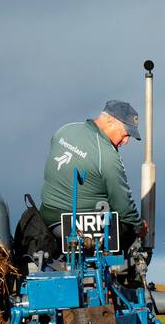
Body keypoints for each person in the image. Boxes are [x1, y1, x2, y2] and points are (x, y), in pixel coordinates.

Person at [24, 101, 148, 266]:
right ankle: (126, 277)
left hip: (49, 219)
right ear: (110, 121)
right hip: (86, 225)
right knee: (130, 229)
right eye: (125, 134)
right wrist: (139, 227)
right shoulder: (108, 156)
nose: (126, 142)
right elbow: (123, 205)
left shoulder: (64, 130)